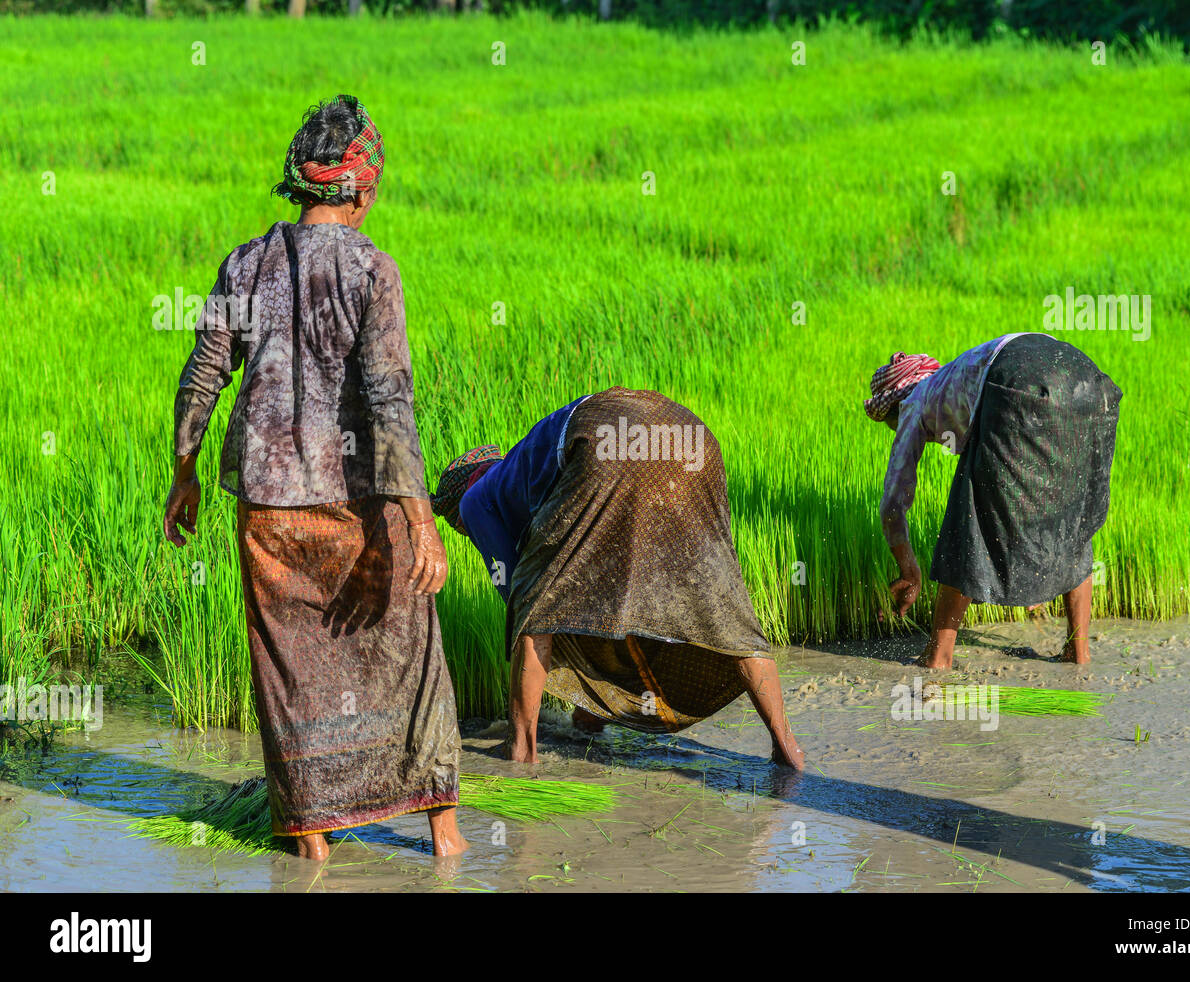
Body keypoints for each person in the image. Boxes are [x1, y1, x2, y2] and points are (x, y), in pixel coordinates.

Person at [163, 95, 466, 859]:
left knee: (291, 678)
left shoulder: (245, 263)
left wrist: (185, 473)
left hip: (269, 511)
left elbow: (203, 374)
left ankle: (313, 857)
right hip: (359, 506)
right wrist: (421, 524)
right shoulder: (374, 270)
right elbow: (391, 401)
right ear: (360, 191)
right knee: (412, 662)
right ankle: (447, 840)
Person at [430, 387, 804, 769]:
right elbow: (608, 599)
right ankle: (787, 746)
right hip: (690, 437)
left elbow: (523, 601)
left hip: (602, 442)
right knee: (724, 607)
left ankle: (520, 750)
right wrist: (591, 706)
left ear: (458, 513)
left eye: (459, 529)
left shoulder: (475, 500)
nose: (466, 531)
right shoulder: (531, 470)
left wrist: (531, 610)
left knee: (533, 613)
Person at [865, 333, 1122, 670]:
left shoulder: (915, 400)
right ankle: (1079, 651)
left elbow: (892, 503)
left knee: (968, 520)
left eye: (890, 424)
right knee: (1069, 518)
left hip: (1017, 380)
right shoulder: (957, 378)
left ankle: (937, 657)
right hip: (1087, 381)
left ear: (895, 405)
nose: (895, 429)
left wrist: (909, 571)